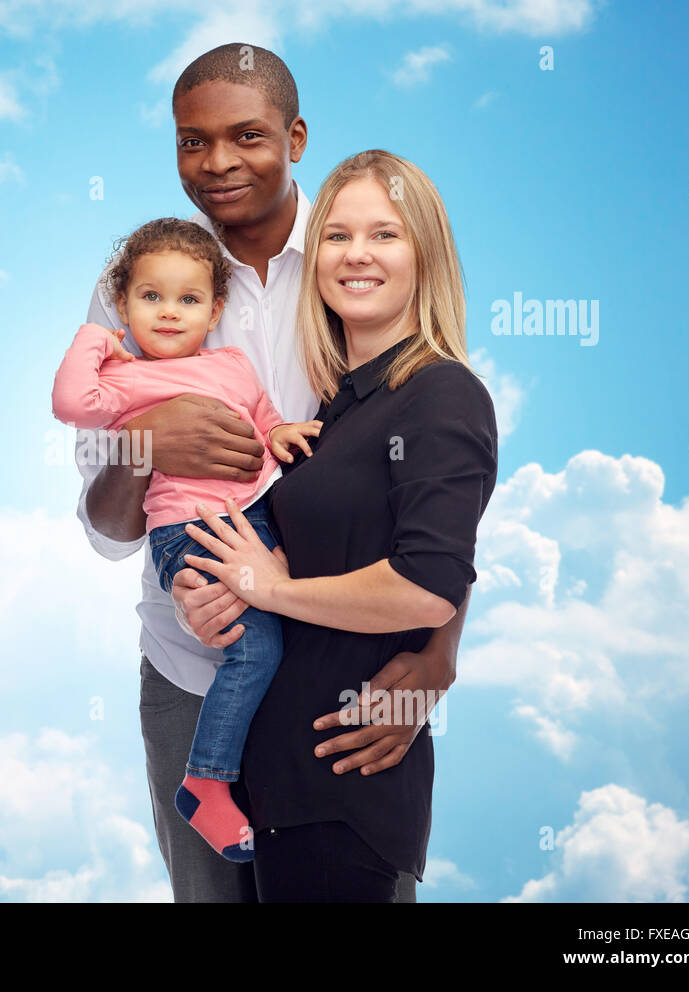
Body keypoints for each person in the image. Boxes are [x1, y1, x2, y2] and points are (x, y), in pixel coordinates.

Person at [74, 43, 470, 902]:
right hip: (190, 667)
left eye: (246, 135)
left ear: (295, 137)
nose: (217, 163)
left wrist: (439, 651)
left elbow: (434, 491)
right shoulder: (140, 290)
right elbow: (106, 523)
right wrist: (148, 441)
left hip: (342, 677)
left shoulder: (345, 270)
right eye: (191, 141)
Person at [173, 149, 498, 902]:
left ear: (426, 255)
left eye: (385, 235)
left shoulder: (441, 393)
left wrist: (270, 588)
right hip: (280, 787)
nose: (356, 255)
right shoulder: (335, 412)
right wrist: (217, 588)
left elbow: (428, 584)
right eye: (336, 235)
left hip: (344, 792)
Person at [52, 218, 322, 861]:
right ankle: (205, 783)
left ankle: (219, 780)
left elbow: (263, 419)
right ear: (123, 305)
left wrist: (280, 434)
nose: (170, 313)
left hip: (252, 520)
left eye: (188, 299)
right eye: (150, 298)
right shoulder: (123, 381)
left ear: (214, 309)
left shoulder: (231, 364)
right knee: (253, 651)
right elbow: (69, 401)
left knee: (281, 634)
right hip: (188, 534)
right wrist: (96, 337)